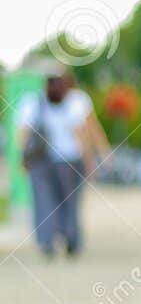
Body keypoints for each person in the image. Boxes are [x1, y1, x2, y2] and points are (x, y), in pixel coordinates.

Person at [16, 67, 109, 257]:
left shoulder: (32, 102)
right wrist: (92, 161)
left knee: (44, 201)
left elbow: (23, 134)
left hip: (41, 162)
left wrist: (23, 158)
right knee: (71, 202)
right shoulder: (77, 101)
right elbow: (85, 133)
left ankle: (46, 240)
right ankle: (71, 238)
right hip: (71, 161)